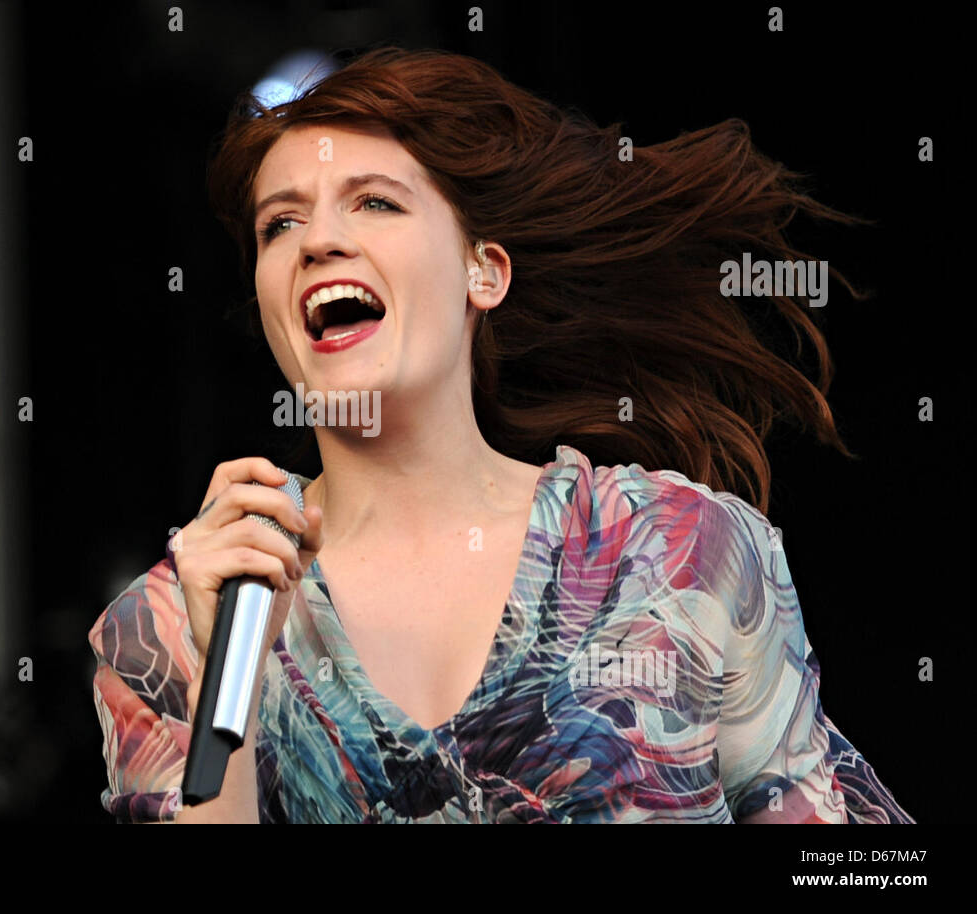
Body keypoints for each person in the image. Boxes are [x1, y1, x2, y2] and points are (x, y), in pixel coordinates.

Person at [87, 47, 913, 823]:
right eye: (279, 226)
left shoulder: (674, 549)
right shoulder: (165, 623)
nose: (319, 242)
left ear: (485, 271)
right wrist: (215, 681)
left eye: (374, 202)